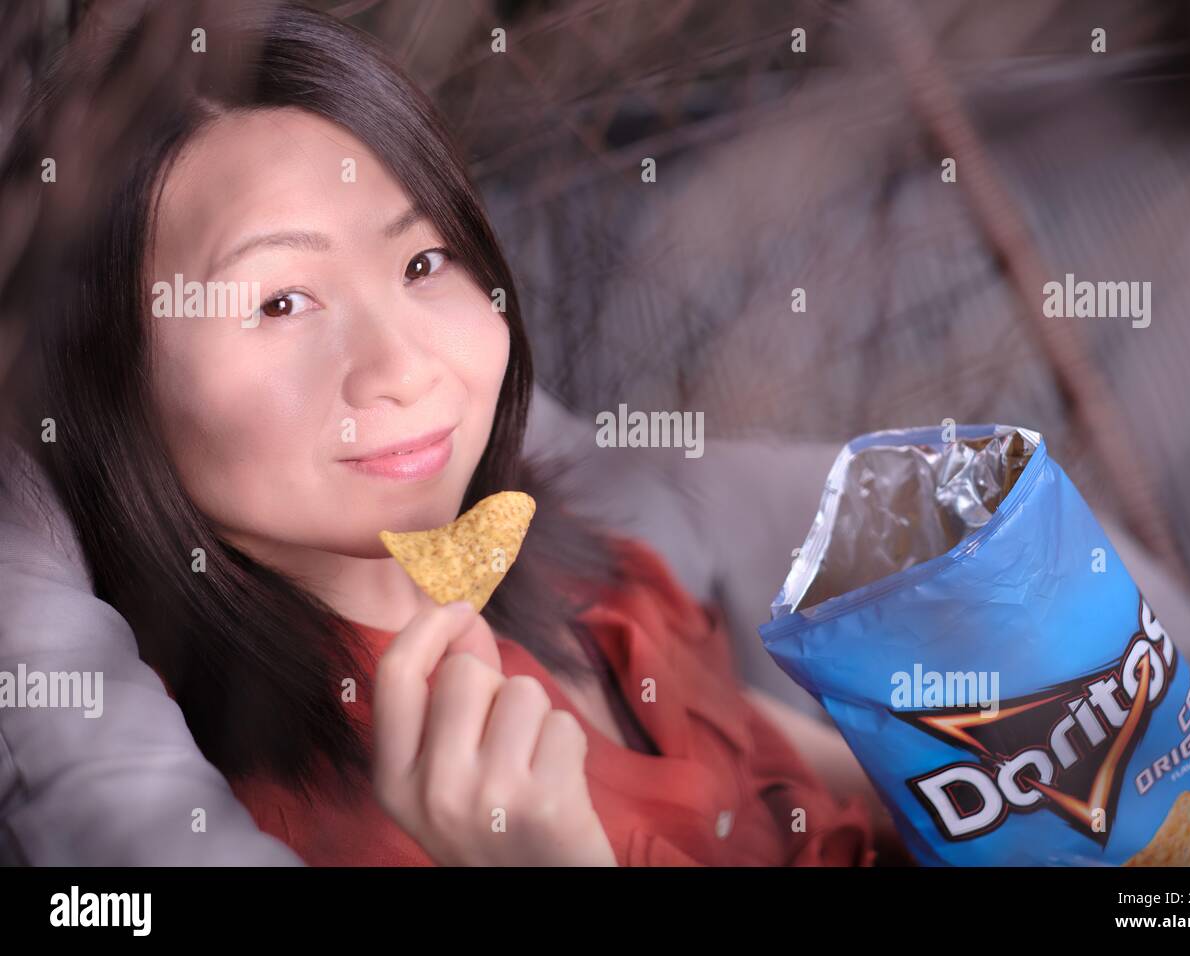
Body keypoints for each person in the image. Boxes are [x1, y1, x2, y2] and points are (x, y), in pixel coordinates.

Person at [4, 1, 887, 866]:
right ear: (108, 380)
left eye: (423, 263)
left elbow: (817, 776)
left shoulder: (587, 570)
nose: (404, 367)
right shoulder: (303, 819)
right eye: (280, 301)